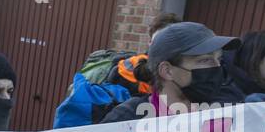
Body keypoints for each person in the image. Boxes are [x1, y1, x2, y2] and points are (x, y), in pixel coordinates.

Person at [101, 22, 244, 124]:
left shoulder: (222, 114)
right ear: (167, 71)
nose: (218, 67)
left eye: (219, 59)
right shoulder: (128, 118)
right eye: (205, 60)